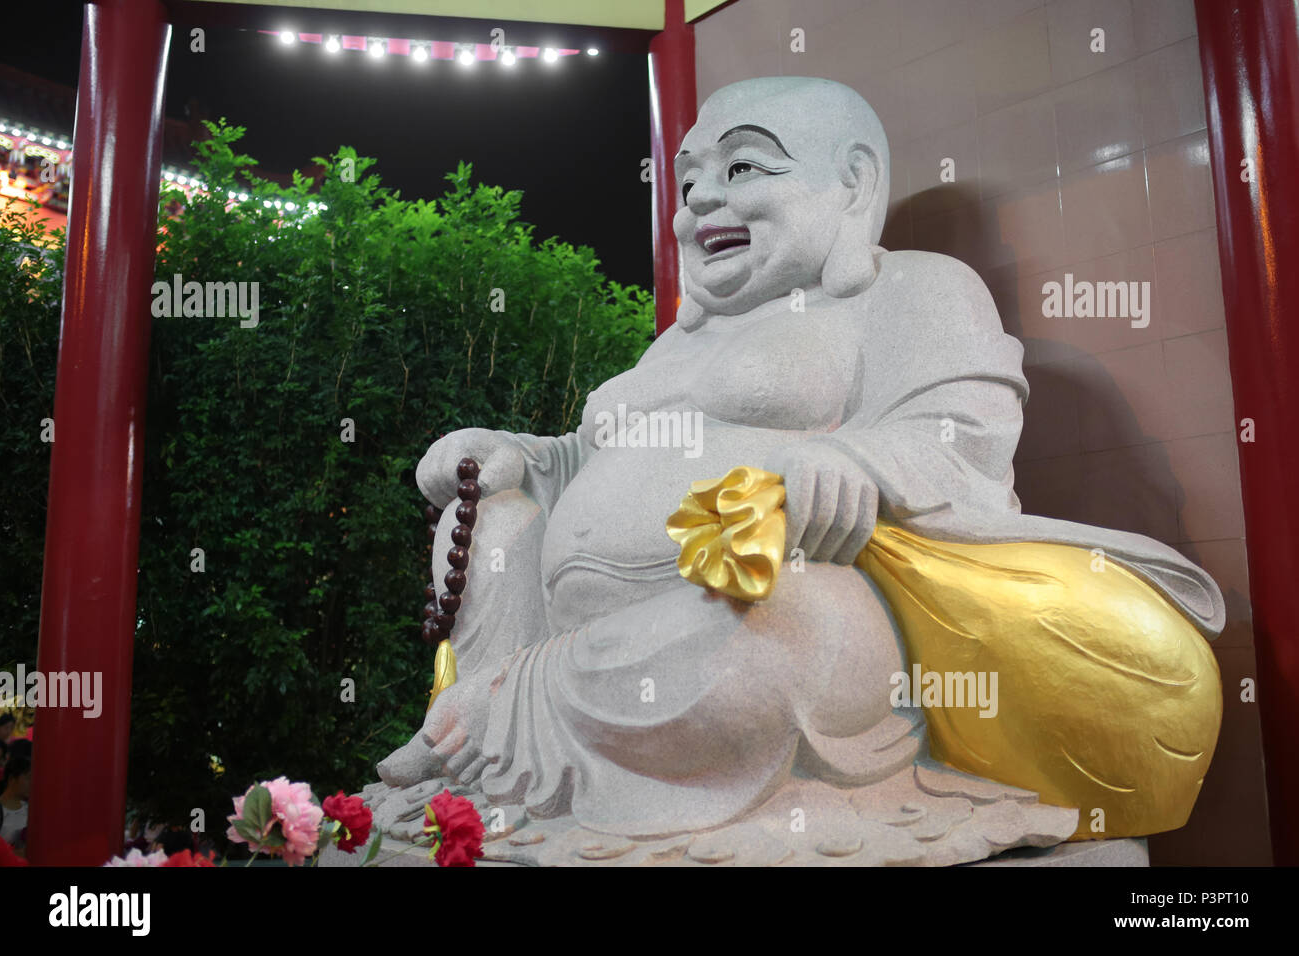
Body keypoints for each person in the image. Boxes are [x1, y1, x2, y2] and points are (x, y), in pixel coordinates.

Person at [380, 76, 1225, 841]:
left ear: (853, 184)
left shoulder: (915, 290)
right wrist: (513, 459)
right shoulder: (673, 343)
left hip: (771, 602)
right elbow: (591, 459)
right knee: (492, 520)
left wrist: (852, 465)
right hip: (591, 623)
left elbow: (961, 436)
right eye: (686, 181)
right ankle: (505, 716)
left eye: (744, 168)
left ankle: (498, 717)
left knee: (776, 623)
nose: (701, 197)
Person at [0, 752, 31, 855]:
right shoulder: (0, 809)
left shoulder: (31, 810)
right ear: (12, 779)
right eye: (28, 778)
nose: (33, 783)